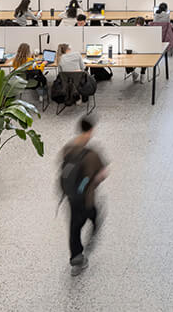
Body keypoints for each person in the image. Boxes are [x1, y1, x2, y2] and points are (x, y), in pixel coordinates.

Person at [61, 116, 108, 275]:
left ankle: (76, 257)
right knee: (92, 213)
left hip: (71, 197)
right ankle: (94, 227)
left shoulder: (68, 149)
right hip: (86, 198)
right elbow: (102, 174)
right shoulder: (92, 154)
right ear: (90, 131)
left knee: (74, 227)